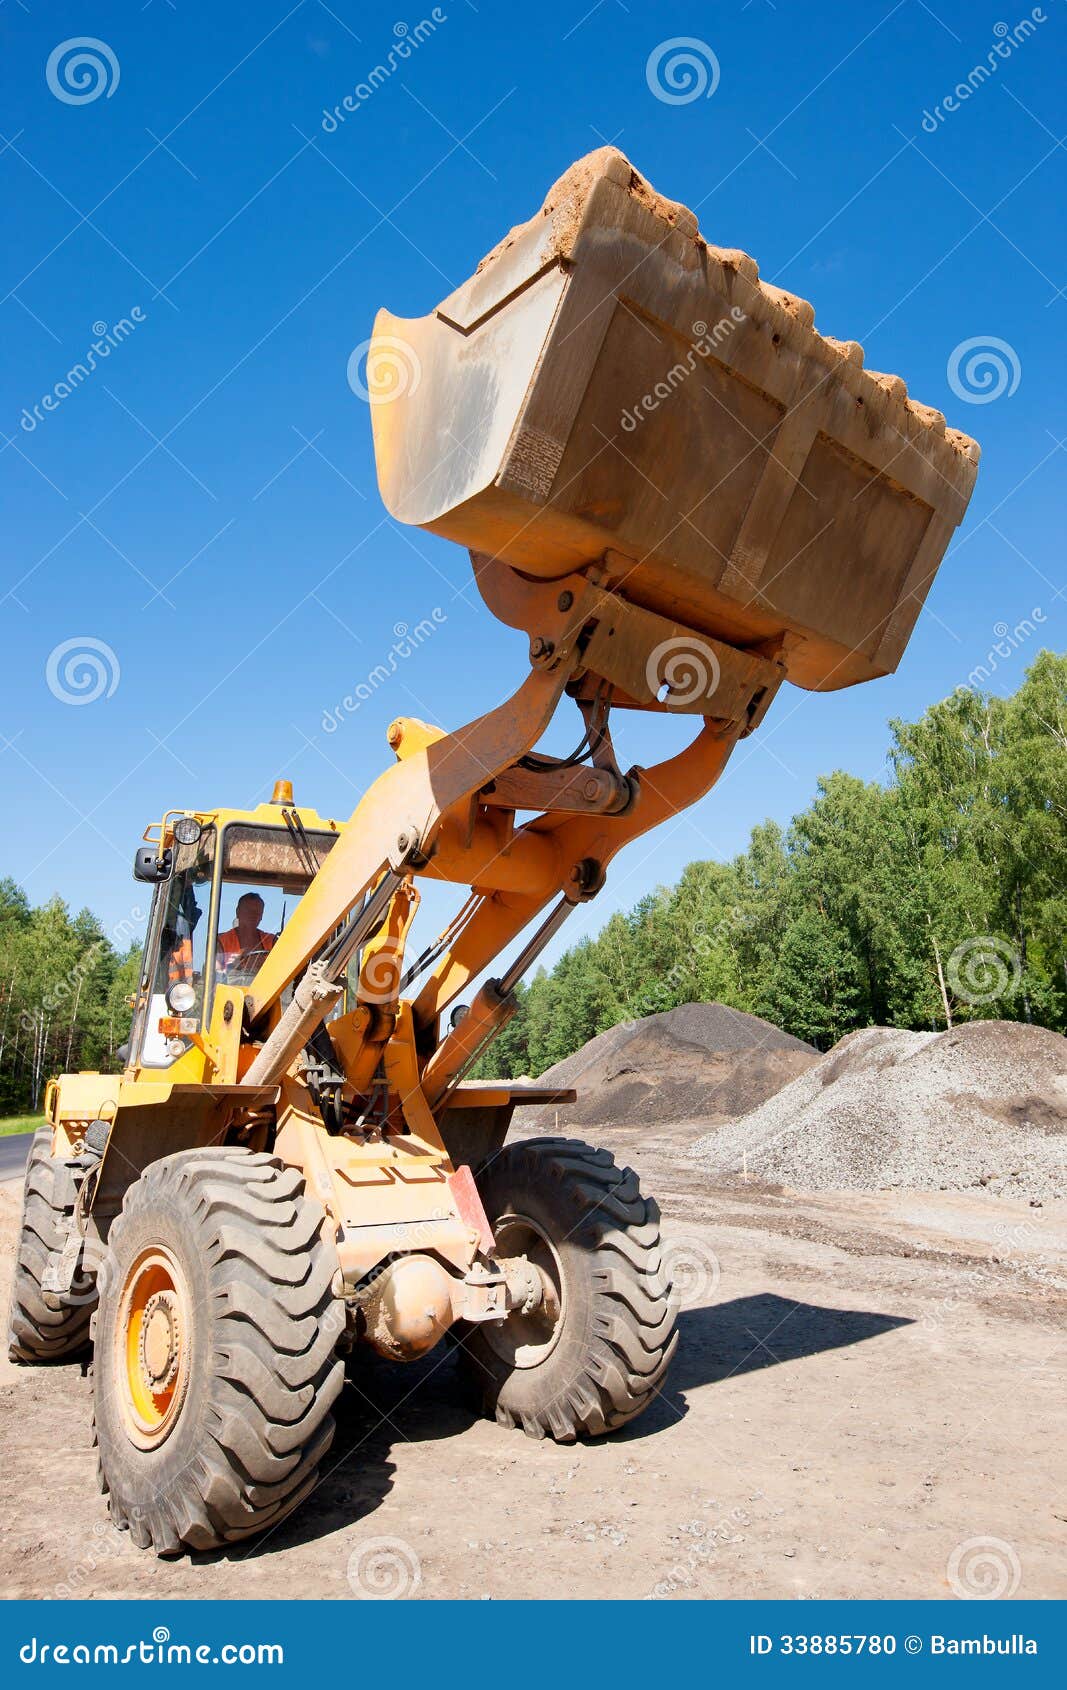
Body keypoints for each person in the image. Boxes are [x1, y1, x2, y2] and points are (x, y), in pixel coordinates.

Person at [216, 893, 276, 978]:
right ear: (238, 912)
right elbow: (215, 976)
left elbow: (279, 972)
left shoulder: (272, 941)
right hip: (231, 989)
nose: (253, 915)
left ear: (261, 916)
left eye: (257, 912)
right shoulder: (220, 941)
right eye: (248, 911)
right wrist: (241, 966)